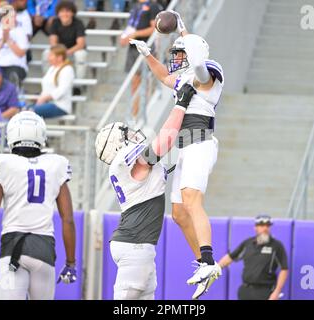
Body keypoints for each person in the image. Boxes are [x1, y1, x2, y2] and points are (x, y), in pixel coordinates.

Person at [130, 10, 224, 299]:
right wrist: (147, 55)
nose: (177, 58)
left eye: (181, 53)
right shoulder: (184, 78)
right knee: (179, 214)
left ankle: (208, 259)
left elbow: (196, 64)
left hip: (199, 139)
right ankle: (206, 262)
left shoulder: (207, 71)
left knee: (193, 200)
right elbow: (164, 76)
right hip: (182, 144)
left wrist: (185, 32)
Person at [95, 83, 196, 300]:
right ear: (116, 144)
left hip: (139, 246)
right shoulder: (125, 161)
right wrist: (180, 104)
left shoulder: (129, 167)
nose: (132, 135)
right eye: (125, 134)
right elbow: (164, 142)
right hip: (135, 246)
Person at [0, 111, 77, 300]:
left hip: (13, 247)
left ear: (12, 135)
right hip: (44, 248)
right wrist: (70, 262)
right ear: (41, 136)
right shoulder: (56, 164)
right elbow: (67, 219)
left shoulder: (2, 163)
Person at [218, 215, 289, 300]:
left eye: (268, 226)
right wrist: (216, 268)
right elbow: (230, 257)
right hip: (246, 290)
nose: (265, 228)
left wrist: (277, 292)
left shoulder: (276, 246)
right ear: (256, 227)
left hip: (265, 291)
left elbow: (284, 269)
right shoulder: (247, 244)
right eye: (262, 226)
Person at [120, 0, 161, 120]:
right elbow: (131, 26)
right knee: (135, 82)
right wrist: (125, 36)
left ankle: (146, 112)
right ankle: (135, 115)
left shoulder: (153, 6)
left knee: (146, 81)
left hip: (145, 47)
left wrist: (136, 34)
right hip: (133, 48)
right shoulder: (135, 6)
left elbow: (154, 28)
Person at [0, 7, 29, 87]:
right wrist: (2, 41)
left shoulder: (21, 32)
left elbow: (21, 53)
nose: (14, 19)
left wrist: (8, 40)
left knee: (12, 77)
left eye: (14, 17)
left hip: (15, 65)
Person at [43, 1, 87, 79]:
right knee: (46, 53)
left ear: (72, 13)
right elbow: (53, 42)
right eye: (62, 11)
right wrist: (60, 52)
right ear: (58, 13)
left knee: (81, 55)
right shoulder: (55, 22)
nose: (65, 14)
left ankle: (78, 84)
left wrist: (67, 52)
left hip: (75, 49)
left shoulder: (78, 23)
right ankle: (49, 79)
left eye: (67, 11)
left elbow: (81, 44)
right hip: (60, 49)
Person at [31, 44, 74, 118]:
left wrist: (44, 98)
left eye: (51, 55)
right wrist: (40, 98)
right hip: (47, 103)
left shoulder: (67, 69)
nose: (48, 58)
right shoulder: (52, 68)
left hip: (60, 106)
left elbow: (62, 90)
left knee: (30, 111)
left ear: (60, 57)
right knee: (23, 110)